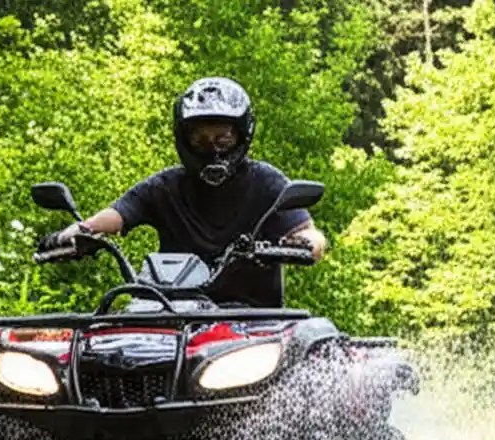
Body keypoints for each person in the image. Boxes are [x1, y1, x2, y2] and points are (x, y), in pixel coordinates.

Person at [37, 76, 328, 308]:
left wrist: (303, 245)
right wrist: (77, 232)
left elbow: (309, 233)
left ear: (241, 136)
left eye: (222, 138)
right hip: (169, 313)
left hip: (252, 322)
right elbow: (117, 214)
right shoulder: (166, 187)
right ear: (184, 139)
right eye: (200, 139)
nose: (212, 147)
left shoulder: (267, 182)